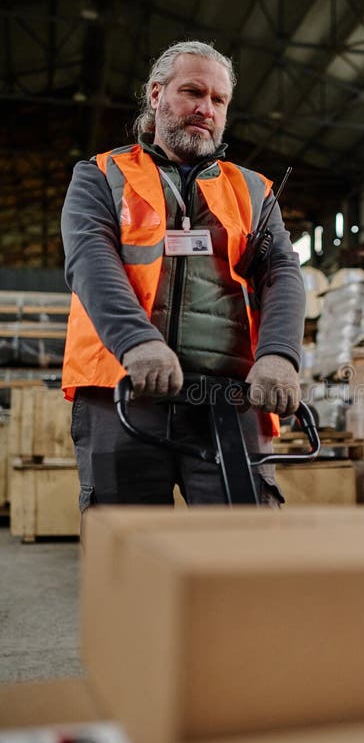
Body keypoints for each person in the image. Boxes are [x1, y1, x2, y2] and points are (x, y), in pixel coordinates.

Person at [61, 40, 305, 508]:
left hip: (230, 399)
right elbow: (91, 260)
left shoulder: (253, 190)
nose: (206, 109)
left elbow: (282, 274)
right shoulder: (101, 175)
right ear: (156, 96)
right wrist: (138, 342)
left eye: (218, 100)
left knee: (242, 555)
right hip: (124, 391)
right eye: (193, 92)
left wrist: (279, 355)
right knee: (128, 558)